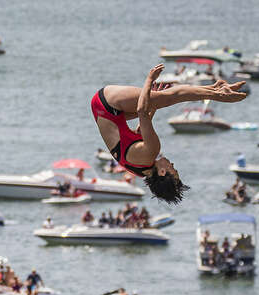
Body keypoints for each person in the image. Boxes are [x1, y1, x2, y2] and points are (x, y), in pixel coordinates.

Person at [92, 65, 247, 204]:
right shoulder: (140, 170)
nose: (172, 164)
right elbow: (139, 131)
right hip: (105, 112)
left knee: (172, 96)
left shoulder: (152, 152)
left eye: (173, 169)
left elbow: (142, 112)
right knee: (162, 99)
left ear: (162, 172)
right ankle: (215, 89)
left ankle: (218, 95)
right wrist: (155, 99)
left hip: (107, 103)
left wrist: (149, 79)